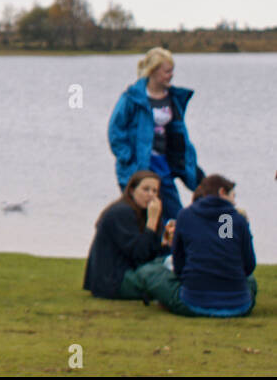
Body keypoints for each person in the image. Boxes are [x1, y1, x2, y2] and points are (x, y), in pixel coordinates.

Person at [126, 174, 258, 317]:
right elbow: (249, 265)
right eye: (233, 196)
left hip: (194, 304)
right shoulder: (237, 220)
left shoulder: (186, 216)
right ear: (221, 192)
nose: (234, 202)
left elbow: (179, 264)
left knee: (149, 272)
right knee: (250, 280)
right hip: (239, 306)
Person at [107, 47, 200, 221]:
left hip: (164, 164)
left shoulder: (173, 98)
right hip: (138, 167)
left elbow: (179, 133)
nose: (171, 75)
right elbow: (115, 131)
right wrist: (128, 157)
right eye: (167, 71)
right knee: (140, 217)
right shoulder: (131, 98)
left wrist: (187, 162)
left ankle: (173, 247)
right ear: (153, 71)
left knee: (175, 215)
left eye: (172, 71)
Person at [82, 170, 171, 299]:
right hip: (113, 280)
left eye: (155, 191)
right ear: (131, 191)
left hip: (130, 272)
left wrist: (168, 240)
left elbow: (153, 252)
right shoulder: (121, 212)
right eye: (145, 190)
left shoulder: (143, 212)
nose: (151, 195)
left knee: (170, 264)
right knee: (164, 277)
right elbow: (140, 254)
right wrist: (152, 220)